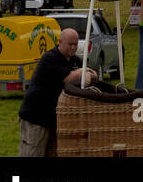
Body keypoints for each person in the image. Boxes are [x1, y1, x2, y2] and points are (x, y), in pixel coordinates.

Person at [18, 28, 94, 156]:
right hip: (35, 116)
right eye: (70, 44)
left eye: (76, 44)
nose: (73, 47)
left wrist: (88, 74)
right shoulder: (50, 58)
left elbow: (91, 73)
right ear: (60, 42)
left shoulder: (75, 61)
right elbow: (68, 78)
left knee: (54, 152)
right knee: (33, 152)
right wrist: (82, 73)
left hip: (55, 118)